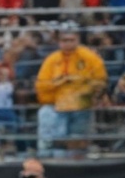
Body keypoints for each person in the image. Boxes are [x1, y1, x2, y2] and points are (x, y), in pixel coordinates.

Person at [34, 30, 108, 158]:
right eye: (64, 40)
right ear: (59, 42)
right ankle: (50, 164)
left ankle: (77, 169)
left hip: (81, 105)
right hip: (55, 106)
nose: (68, 44)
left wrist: (83, 87)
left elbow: (100, 80)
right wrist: (59, 83)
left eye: (71, 40)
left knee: (78, 141)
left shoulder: (90, 57)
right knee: (53, 136)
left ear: (78, 40)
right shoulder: (52, 60)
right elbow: (41, 84)